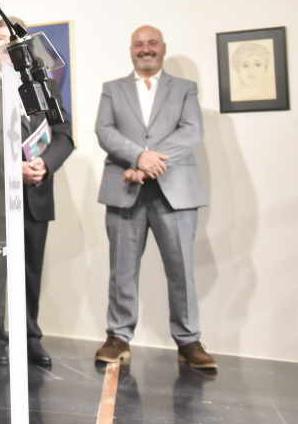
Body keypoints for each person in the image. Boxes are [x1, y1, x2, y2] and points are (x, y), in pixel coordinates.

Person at [93, 26, 215, 370]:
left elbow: (191, 131)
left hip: (175, 191)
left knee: (181, 270)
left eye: (152, 44)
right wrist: (137, 157)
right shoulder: (112, 89)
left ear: (162, 48)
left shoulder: (185, 89)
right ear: (131, 50)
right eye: (139, 44)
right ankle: (118, 336)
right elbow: (104, 131)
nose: (146, 49)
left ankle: (189, 340)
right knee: (122, 269)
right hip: (124, 190)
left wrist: (148, 163)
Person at [0, 17, 73, 367]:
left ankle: (29, 338)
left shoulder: (43, 87)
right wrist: (12, 167)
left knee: (29, 272)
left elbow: (65, 134)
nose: (6, 44)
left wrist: (45, 164)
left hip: (35, 194)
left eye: (12, 38)